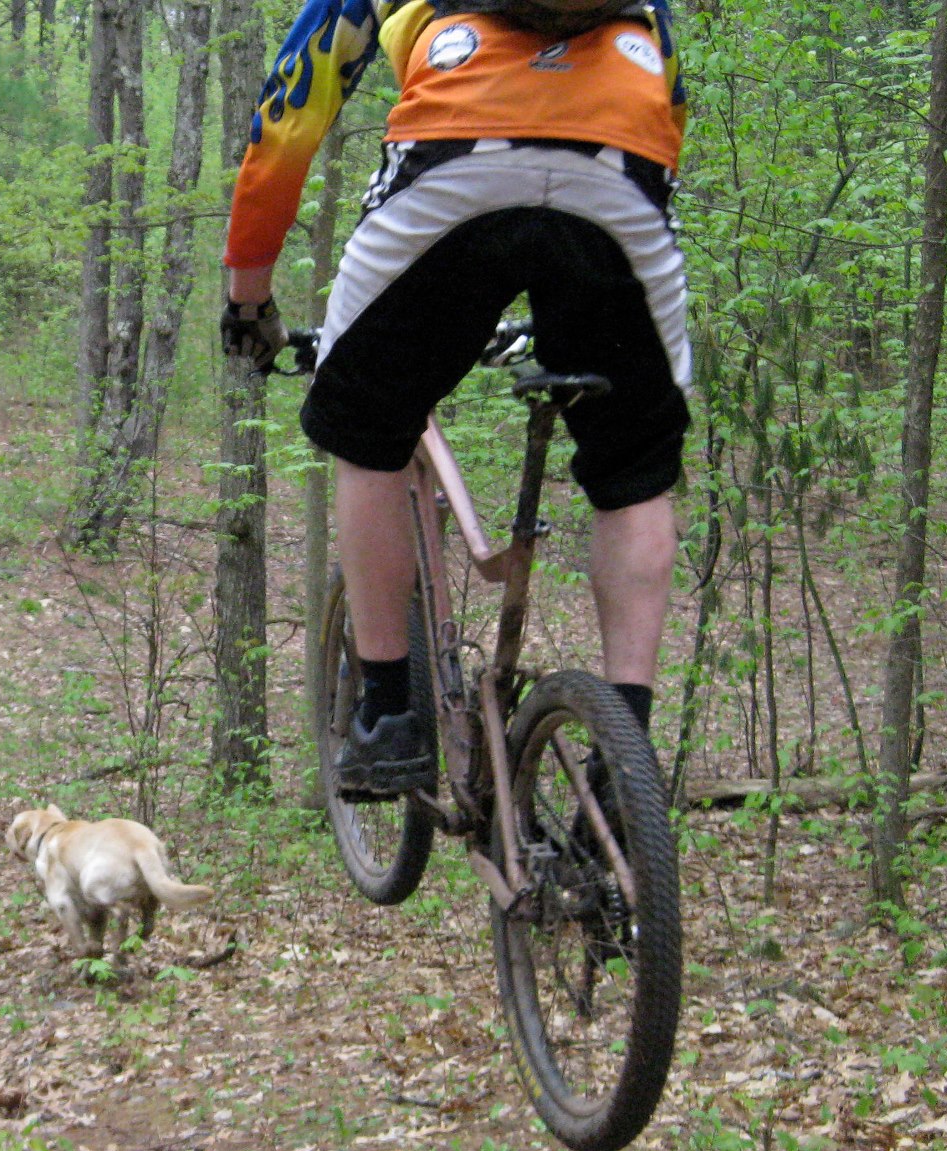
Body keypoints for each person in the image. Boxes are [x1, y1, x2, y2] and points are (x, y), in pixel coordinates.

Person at [220, 0, 690, 799]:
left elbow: (288, 116)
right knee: (635, 470)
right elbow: (669, 104)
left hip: (453, 161)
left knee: (367, 429)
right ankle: (628, 767)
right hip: (622, 172)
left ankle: (387, 718)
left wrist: (248, 299)